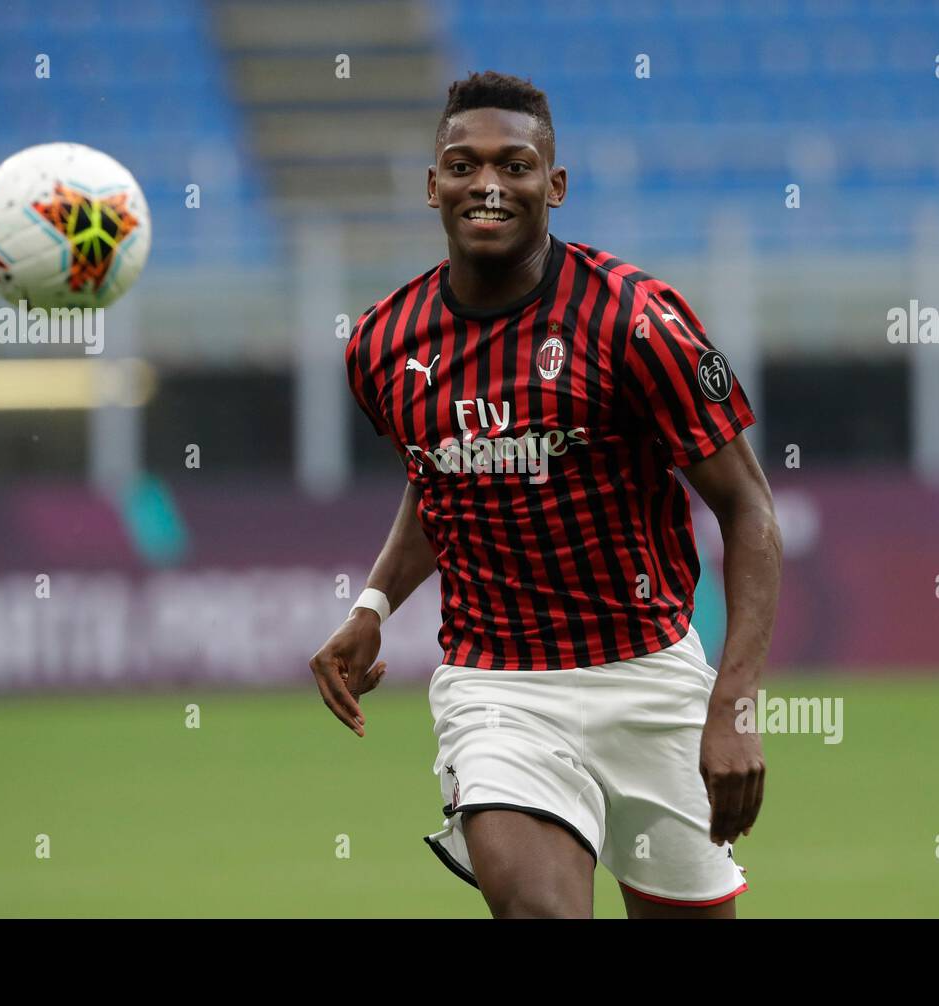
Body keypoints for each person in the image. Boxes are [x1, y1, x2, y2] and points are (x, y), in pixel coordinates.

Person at [309, 71, 781, 919]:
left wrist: (734, 705)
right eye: (463, 164)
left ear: (553, 186)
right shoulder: (382, 343)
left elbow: (749, 510)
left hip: (649, 677)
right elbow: (441, 475)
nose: (487, 185)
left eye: (515, 165)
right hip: (499, 687)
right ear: (432, 186)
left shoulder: (635, 321)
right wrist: (375, 603)